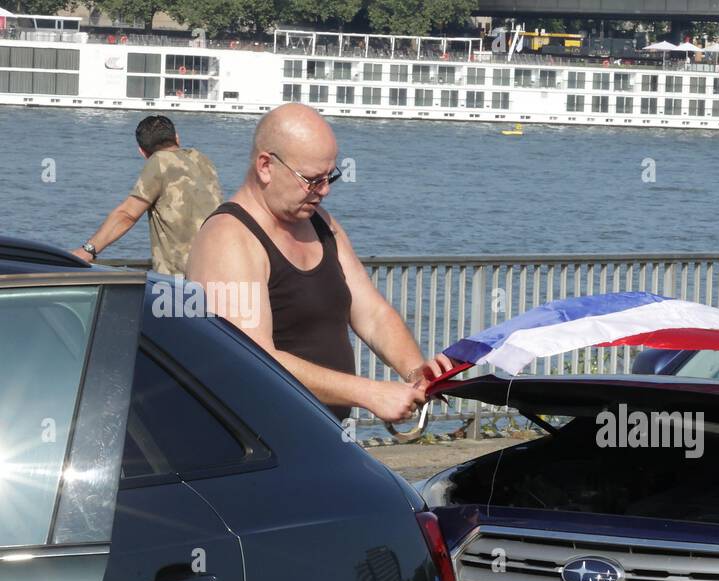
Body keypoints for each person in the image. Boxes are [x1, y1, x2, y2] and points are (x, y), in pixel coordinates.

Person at [186, 104, 453, 424]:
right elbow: (252, 356)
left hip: (321, 435)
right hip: (260, 443)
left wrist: (415, 373)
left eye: (330, 178)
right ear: (266, 166)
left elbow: (372, 314)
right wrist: (369, 393)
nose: (324, 191)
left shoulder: (322, 224)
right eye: (312, 180)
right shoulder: (228, 237)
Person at [71, 115, 221, 275]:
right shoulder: (203, 160)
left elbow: (127, 215)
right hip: (217, 271)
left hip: (181, 282)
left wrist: (87, 251)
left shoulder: (158, 161)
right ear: (177, 138)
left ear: (142, 152)